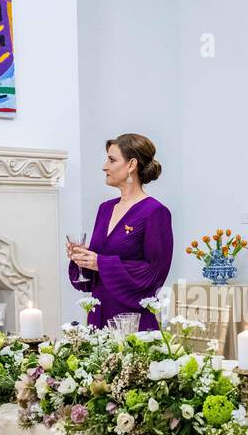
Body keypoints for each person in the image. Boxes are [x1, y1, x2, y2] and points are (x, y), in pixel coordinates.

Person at [67, 133, 173, 330]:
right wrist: (82, 258)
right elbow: (89, 281)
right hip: (99, 316)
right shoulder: (105, 209)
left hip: (133, 321)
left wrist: (100, 262)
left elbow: (154, 273)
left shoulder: (155, 212)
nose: (104, 166)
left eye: (112, 159)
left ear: (132, 165)